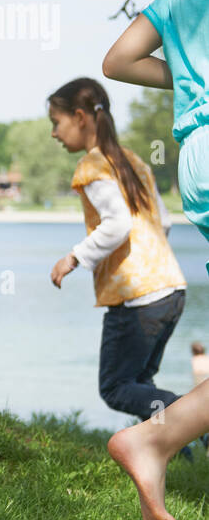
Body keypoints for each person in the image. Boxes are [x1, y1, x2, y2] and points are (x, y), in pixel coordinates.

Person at [98, 0, 209, 520]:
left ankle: (154, 441)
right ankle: (155, 437)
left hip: (196, 157)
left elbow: (118, 61)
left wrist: (193, 86)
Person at [48, 77, 188, 428]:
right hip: (171, 288)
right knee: (141, 384)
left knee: (116, 387)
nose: (54, 133)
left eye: (56, 122)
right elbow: (164, 222)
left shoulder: (93, 165)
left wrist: (74, 257)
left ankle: (196, 417)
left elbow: (117, 224)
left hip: (137, 297)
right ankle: (174, 452)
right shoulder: (132, 160)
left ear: (80, 117)